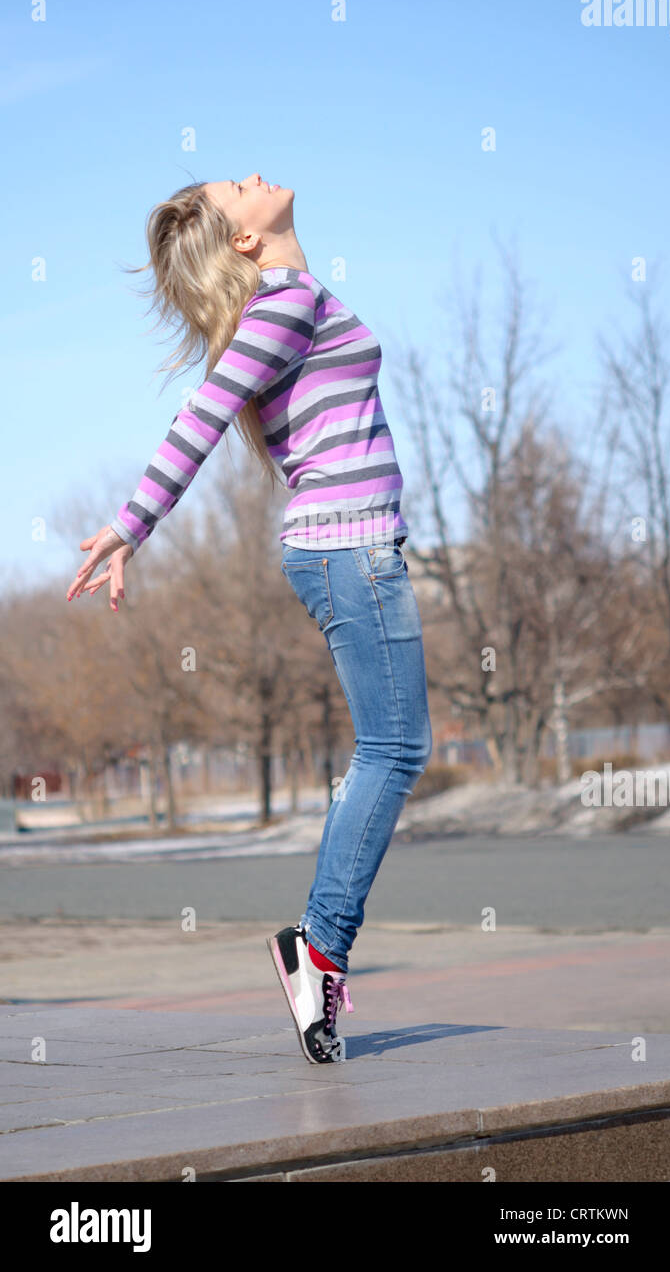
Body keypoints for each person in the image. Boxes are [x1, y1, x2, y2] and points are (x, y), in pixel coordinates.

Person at [66, 173, 433, 1064]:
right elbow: (203, 414)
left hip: (350, 549)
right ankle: (319, 947)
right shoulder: (284, 302)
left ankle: (320, 947)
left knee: (391, 747)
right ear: (242, 239)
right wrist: (132, 524)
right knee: (393, 748)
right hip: (349, 549)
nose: (255, 177)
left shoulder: (291, 299)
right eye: (238, 187)